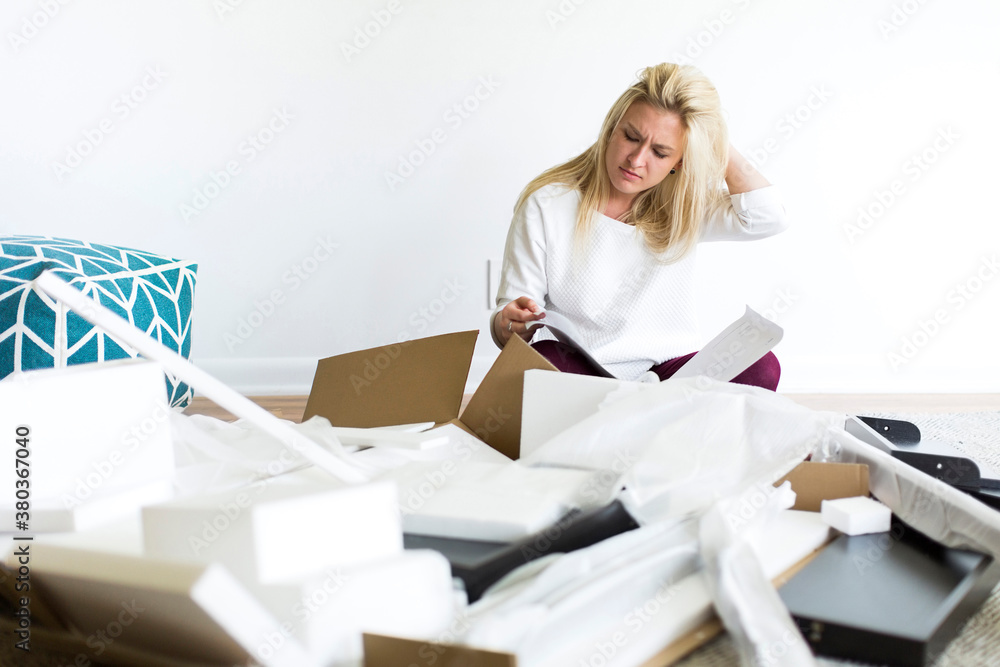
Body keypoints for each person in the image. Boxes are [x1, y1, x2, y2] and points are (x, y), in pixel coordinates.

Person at [489, 63, 788, 391]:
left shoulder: (684, 206)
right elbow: (509, 322)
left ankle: (627, 421)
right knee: (541, 363)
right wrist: (509, 323)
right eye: (631, 136)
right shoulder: (547, 204)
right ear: (611, 127)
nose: (636, 159)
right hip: (581, 369)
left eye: (660, 152)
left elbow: (767, 216)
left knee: (761, 367)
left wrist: (713, 135)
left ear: (680, 162)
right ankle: (649, 424)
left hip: (667, 374)